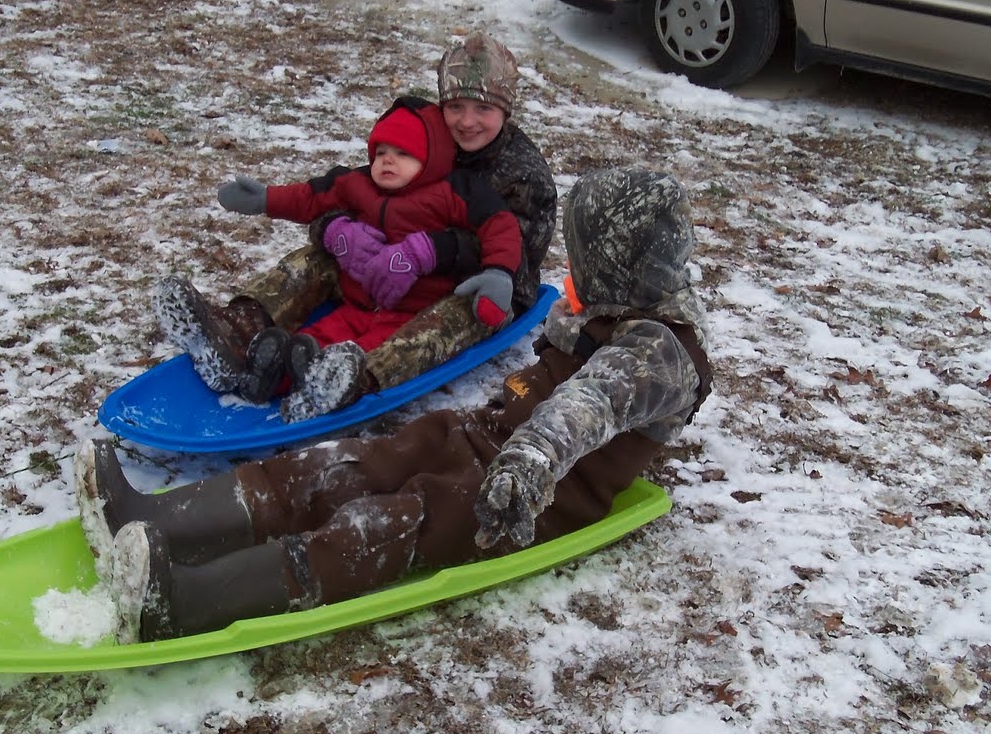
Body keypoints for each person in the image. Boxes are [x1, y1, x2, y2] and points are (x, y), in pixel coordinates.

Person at [76, 168, 711, 644]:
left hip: (530, 496)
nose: (575, 263)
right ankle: (155, 518)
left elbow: (586, 405)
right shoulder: (608, 306)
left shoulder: (662, 352)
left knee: (386, 521)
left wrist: (530, 461)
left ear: (623, 261)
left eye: (586, 251)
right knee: (346, 465)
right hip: (478, 435)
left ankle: (183, 603)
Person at [156, 31, 558, 421]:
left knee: (457, 310)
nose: (468, 121)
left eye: (483, 109)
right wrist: (339, 231)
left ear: (505, 110)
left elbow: (516, 256)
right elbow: (354, 192)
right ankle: (236, 335)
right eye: (456, 107)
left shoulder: (522, 174)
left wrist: (430, 251)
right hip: (389, 269)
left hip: (485, 288)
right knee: (319, 258)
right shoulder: (428, 135)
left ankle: (355, 377)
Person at [185, 95, 524, 418]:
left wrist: (499, 271)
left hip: (410, 312)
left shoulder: (454, 192)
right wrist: (266, 199)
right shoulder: (358, 183)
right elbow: (311, 197)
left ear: (432, 158)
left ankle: (337, 388)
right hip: (356, 304)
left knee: (371, 353)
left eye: (403, 153)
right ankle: (269, 375)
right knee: (313, 341)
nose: (387, 160)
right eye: (381, 151)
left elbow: (499, 226)